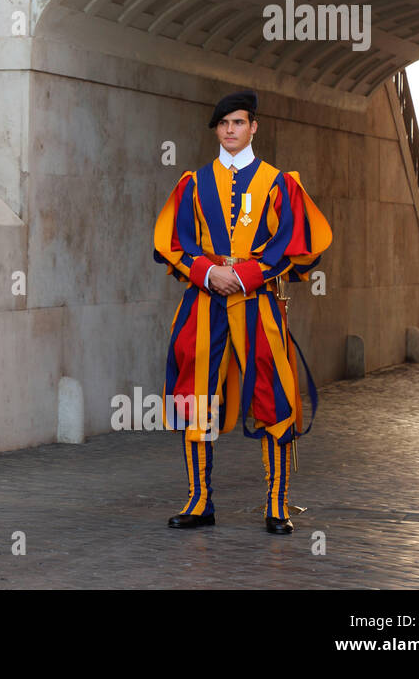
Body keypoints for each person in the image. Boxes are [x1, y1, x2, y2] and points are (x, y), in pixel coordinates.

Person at [152, 90, 332, 534]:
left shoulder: (278, 183)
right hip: (205, 300)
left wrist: (248, 275)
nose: (230, 130)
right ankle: (199, 501)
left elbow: (293, 241)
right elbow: (174, 242)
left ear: (254, 127)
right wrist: (209, 274)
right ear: (216, 130)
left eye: (238, 122)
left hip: (259, 304)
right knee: (193, 393)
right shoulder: (193, 183)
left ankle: (277, 504)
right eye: (223, 124)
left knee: (273, 391)